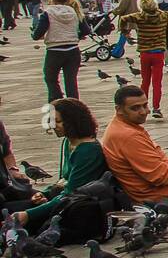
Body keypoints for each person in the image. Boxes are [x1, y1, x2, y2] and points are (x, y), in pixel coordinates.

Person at [8, 97, 107, 233]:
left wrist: (29, 214)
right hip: (64, 199)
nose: (53, 125)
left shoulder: (88, 150)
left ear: (73, 121)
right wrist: (45, 194)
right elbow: (64, 181)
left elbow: (71, 193)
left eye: (58, 121)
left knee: (15, 218)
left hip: (78, 207)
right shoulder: (69, 142)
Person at [119, 0, 168, 118]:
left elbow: (123, 19)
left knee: (145, 81)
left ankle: (142, 106)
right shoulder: (164, 15)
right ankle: (156, 107)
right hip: (158, 53)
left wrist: (125, 32)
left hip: (145, 53)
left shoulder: (139, 17)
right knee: (157, 82)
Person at [31, 0, 90, 102]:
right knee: (71, 81)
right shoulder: (73, 10)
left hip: (55, 51)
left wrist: (34, 35)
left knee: (51, 78)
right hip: (73, 50)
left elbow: (38, 33)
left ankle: (57, 101)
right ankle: (74, 105)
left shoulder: (48, 12)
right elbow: (86, 30)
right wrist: (74, 36)